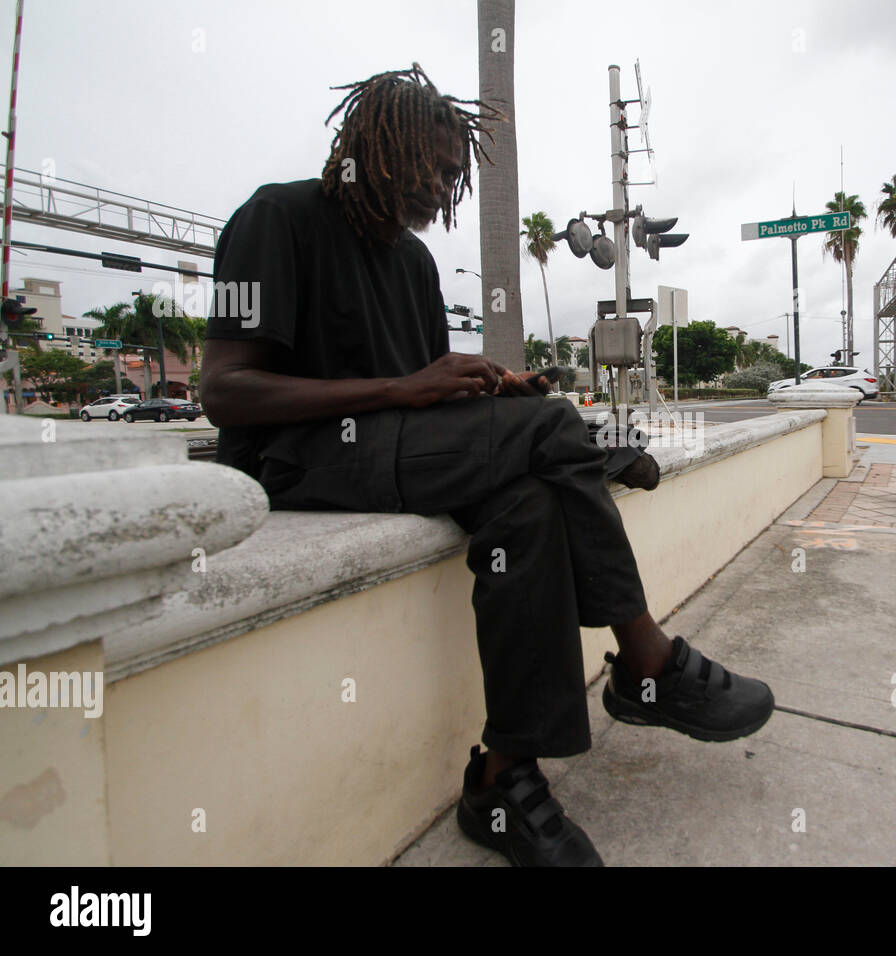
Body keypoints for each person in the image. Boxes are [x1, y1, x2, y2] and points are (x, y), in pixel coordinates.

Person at [200, 64, 773, 867]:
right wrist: (406, 387)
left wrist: (483, 384)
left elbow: (423, 392)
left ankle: (502, 775)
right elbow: (223, 391)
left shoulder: (411, 264)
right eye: (431, 168)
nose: (442, 189)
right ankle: (646, 658)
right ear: (376, 147)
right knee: (550, 433)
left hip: (396, 452)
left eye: (451, 174)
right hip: (296, 462)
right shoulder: (275, 217)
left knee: (528, 509)